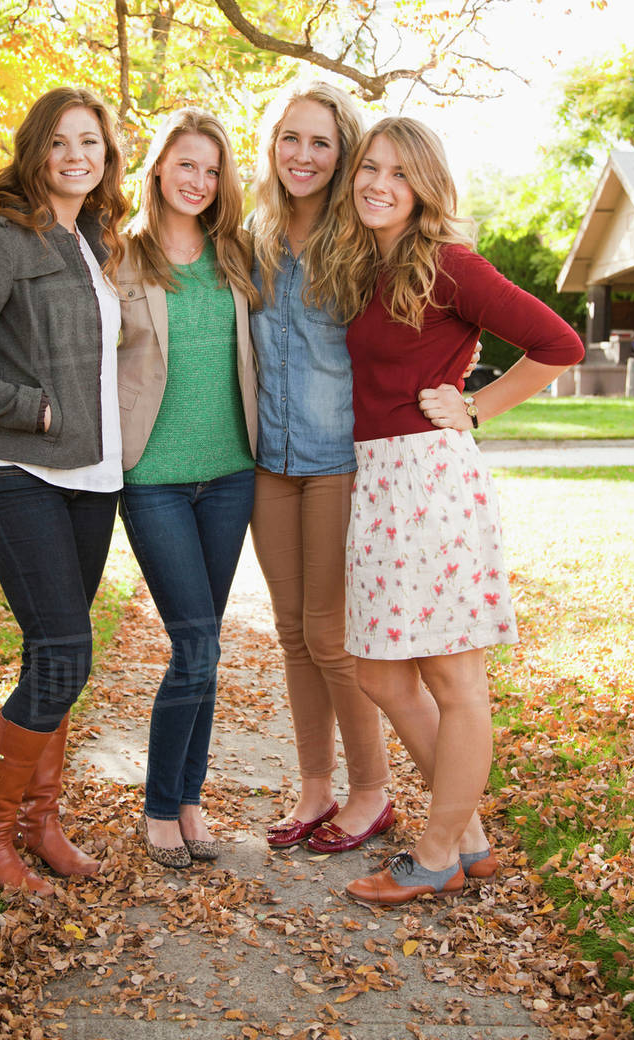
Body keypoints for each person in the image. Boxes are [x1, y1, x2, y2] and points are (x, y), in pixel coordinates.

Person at [322, 117, 584, 906]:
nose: (377, 184)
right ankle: (464, 835)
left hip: (430, 482)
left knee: (454, 675)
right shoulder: (370, 265)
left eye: (398, 174)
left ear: (424, 188)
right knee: (378, 670)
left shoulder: (448, 265)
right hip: (381, 482)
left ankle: (438, 852)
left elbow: (559, 343)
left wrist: (476, 406)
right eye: (370, 168)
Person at [0, 86, 128, 896]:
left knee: (53, 655)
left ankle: (39, 822)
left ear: (108, 158)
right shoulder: (1, 241)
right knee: (67, 653)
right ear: (34, 151)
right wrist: (31, 409)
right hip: (19, 476)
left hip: (93, 481)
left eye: (92, 143)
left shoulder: (95, 243)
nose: (78, 156)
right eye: (60, 143)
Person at [248, 82, 395, 855]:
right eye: (291, 140)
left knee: (331, 636)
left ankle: (372, 790)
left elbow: (424, 312)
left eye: (321, 143)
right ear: (273, 147)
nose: (304, 156)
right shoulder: (251, 235)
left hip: (337, 457)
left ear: (341, 154)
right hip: (269, 462)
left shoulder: (363, 237)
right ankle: (315, 786)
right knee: (291, 632)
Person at [116, 107, 258, 869]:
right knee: (195, 644)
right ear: (159, 168)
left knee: (204, 644)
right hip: (154, 481)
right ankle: (160, 805)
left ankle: (191, 797)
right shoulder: (121, 258)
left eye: (211, 168)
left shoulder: (236, 257)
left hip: (232, 476)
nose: (198, 180)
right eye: (186, 164)